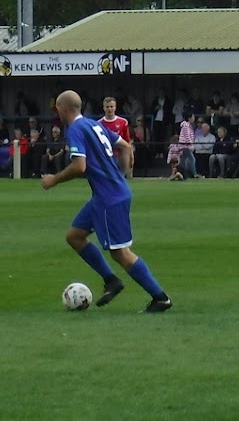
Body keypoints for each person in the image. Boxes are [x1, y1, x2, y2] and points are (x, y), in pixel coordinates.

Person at [42, 90, 172, 312]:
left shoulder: (75, 129)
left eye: (58, 109)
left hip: (108, 198)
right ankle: (111, 280)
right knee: (74, 236)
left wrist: (54, 179)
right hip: (107, 194)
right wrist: (120, 174)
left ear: (63, 108)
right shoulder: (94, 125)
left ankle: (160, 298)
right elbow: (124, 146)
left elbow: (79, 166)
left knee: (120, 253)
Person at [98, 96, 132, 177]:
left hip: (120, 156)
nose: (109, 109)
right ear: (104, 108)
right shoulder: (99, 124)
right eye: (107, 107)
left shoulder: (123, 122)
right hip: (105, 156)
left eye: (111, 106)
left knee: (121, 178)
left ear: (115, 107)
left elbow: (127, 140)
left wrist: (131, 155)